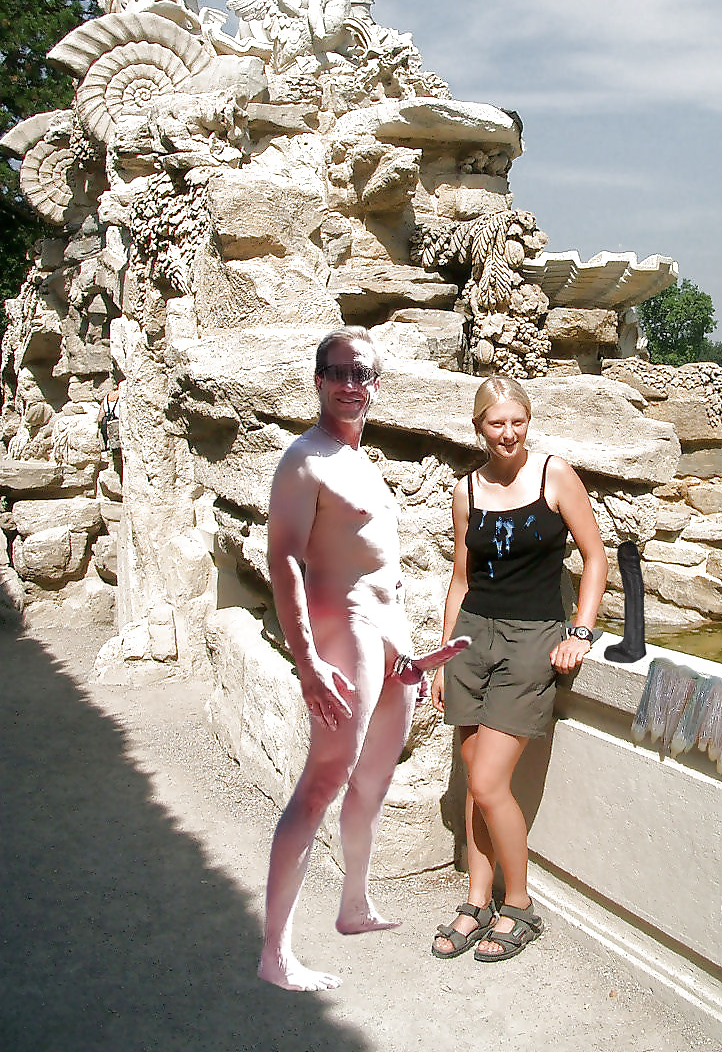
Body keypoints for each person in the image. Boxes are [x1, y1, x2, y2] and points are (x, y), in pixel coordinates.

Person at [258, 326, 467, 991]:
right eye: (339, 372)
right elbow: (284, 561)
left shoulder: (360, 460)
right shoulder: (305, 460)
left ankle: (354, 904)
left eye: (363, 374)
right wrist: (307, 662)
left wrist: (409, 653)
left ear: (376, 385)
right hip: (343, 635)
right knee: (321, 784)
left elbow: (379, 571)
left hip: (387, 638)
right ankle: (275, 954)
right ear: (319, 380)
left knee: (372, 781)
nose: (351, 385)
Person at [430, 376, 608, 961]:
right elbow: (461, 580)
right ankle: (477, 899)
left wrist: (580, 630)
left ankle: (520, 904)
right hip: (472, 637)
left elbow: (595, 557)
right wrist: (443, 656)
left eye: (517, 422)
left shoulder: (554, 475)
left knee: (488, 782)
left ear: (528, 421)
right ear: (478, 427)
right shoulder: (466, 491)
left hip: (532, 639)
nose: (508, 434)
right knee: (472, 778)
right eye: (496, 423)